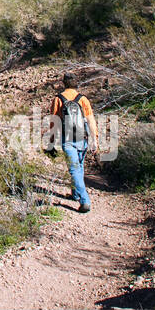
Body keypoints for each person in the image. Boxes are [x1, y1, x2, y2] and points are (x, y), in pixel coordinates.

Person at [50, 81, 98, 213]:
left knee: (74, 169)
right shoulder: (83, 99)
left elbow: (54, 121)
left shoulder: (58, 99)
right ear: (76, 84)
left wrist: (51, 141)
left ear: (63, 83)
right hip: (82, 139)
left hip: (68, 139)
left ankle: (85, 201)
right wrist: (94, 139)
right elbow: (91, 120)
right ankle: (75, 194)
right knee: (79, 167)